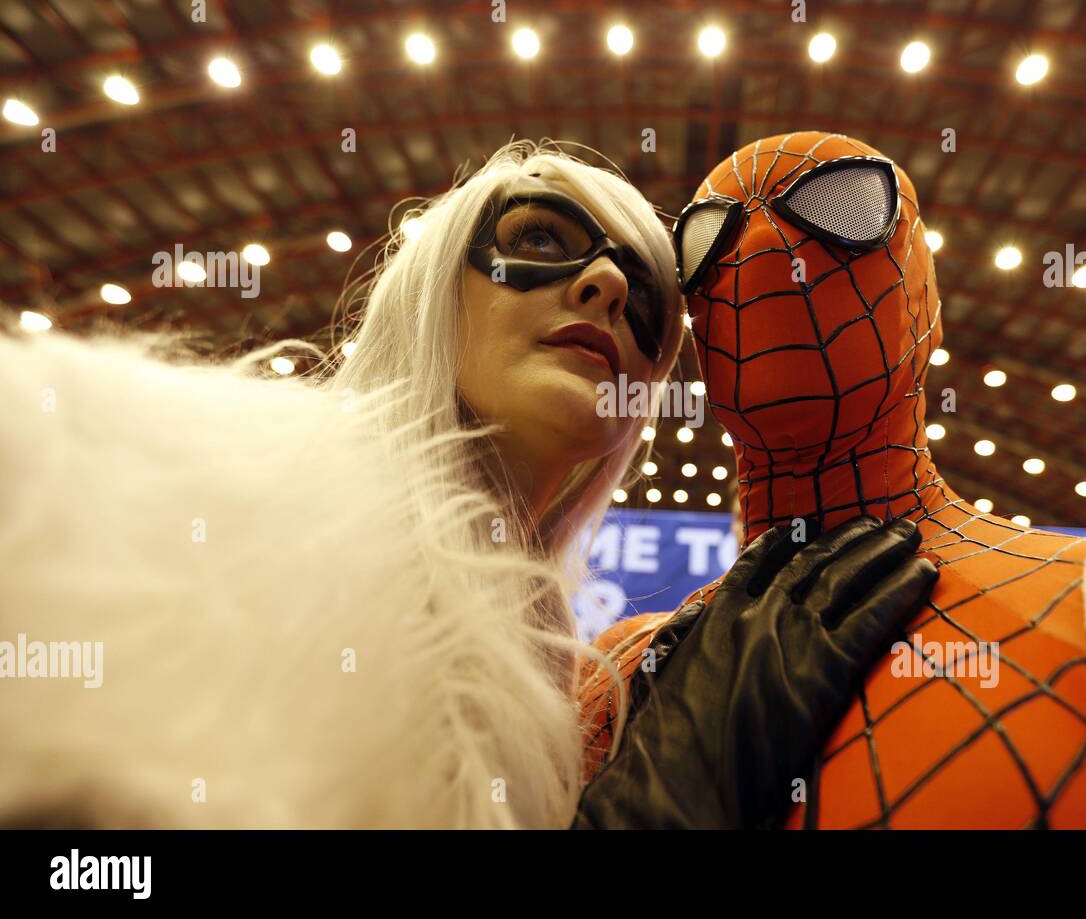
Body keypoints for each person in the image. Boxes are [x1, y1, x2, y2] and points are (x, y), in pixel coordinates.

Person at [0, 138, 936, 829]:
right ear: (438, 283)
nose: (606, 284)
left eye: (645, 291)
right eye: (542, 238)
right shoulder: (206, 481)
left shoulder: (537, 660)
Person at [580, 131, 1086, 829]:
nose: (767, 247)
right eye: (707, 242)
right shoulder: (617, 679)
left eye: (843, 206)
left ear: (927, 301)